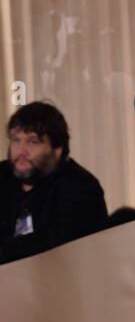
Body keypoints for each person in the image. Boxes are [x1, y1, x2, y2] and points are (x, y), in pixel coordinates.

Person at [0, 102, 107, 264]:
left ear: (57, 149)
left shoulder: (81, 187)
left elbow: (54, 246)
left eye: (32, 142)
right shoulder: (3, 176)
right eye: (16, 140)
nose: (21, 151)